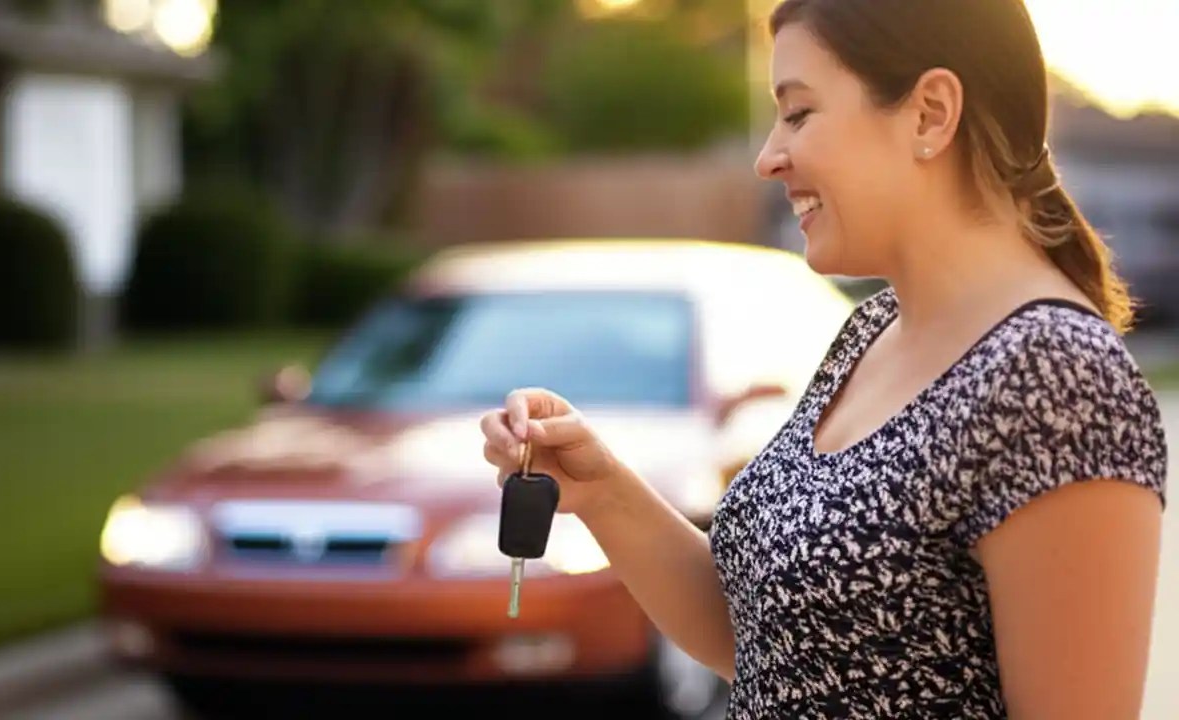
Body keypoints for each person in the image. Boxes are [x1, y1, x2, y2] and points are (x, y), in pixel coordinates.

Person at [478, 1, 1169, 718]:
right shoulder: (872, 332)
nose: (767, 155)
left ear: (930, 114)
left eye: (799, 113)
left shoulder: (1057, 375)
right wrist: (602, 488)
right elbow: (771, 643)